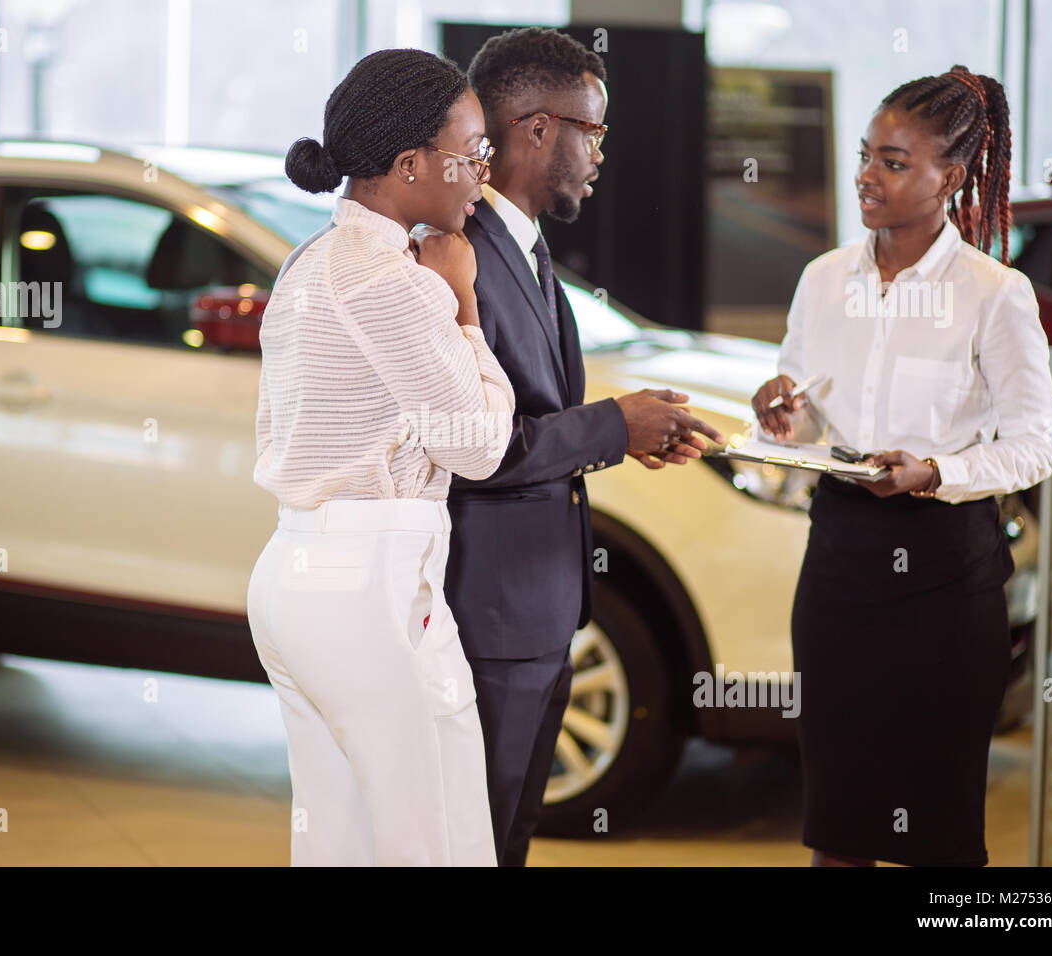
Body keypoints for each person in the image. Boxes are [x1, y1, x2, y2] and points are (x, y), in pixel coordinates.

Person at [751, 65, 1052, 867]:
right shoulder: (822, 281)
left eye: (893, 161)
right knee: (839, 822)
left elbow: (1035, 444)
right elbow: (803, 413)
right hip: (840, 563)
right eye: (866, 156)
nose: (866, 176)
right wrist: (783, 413)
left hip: (948, 575)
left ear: (949, 178)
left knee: (939, 831)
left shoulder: (995, 294)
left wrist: (934, 472)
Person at [445, 27, 724, 866]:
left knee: (510, 837)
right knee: (474, 841)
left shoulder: (524, 248)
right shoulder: (461, 257)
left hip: (541, 609)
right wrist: (613, 424)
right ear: (535, 129)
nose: (603, 153)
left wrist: (627, 435)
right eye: (593, 131)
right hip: (486, 612)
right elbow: (478, 447)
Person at [247, 48, 516, 866]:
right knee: (430, 840)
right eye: (473, 154)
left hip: (301, 572)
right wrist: (465, 304)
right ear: (410, 166)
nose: (483, 176)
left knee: (341, 842)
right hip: (366, 586)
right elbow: (477, 448)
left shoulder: (312, 260)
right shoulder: (391, 281)